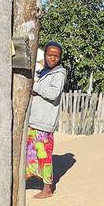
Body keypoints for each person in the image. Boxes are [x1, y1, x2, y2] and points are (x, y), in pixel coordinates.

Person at [26, 41, 67, 198]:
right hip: (34, 120)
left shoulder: (59, 74)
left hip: (44, 123)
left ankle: (47, 189)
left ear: (60, 58)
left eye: (56, 56)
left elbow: (53, 93)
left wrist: (34, 87)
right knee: (30, 153)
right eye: (50, 54)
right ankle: (30, 180)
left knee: (44, 156)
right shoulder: (44, 72)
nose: (53, 58)